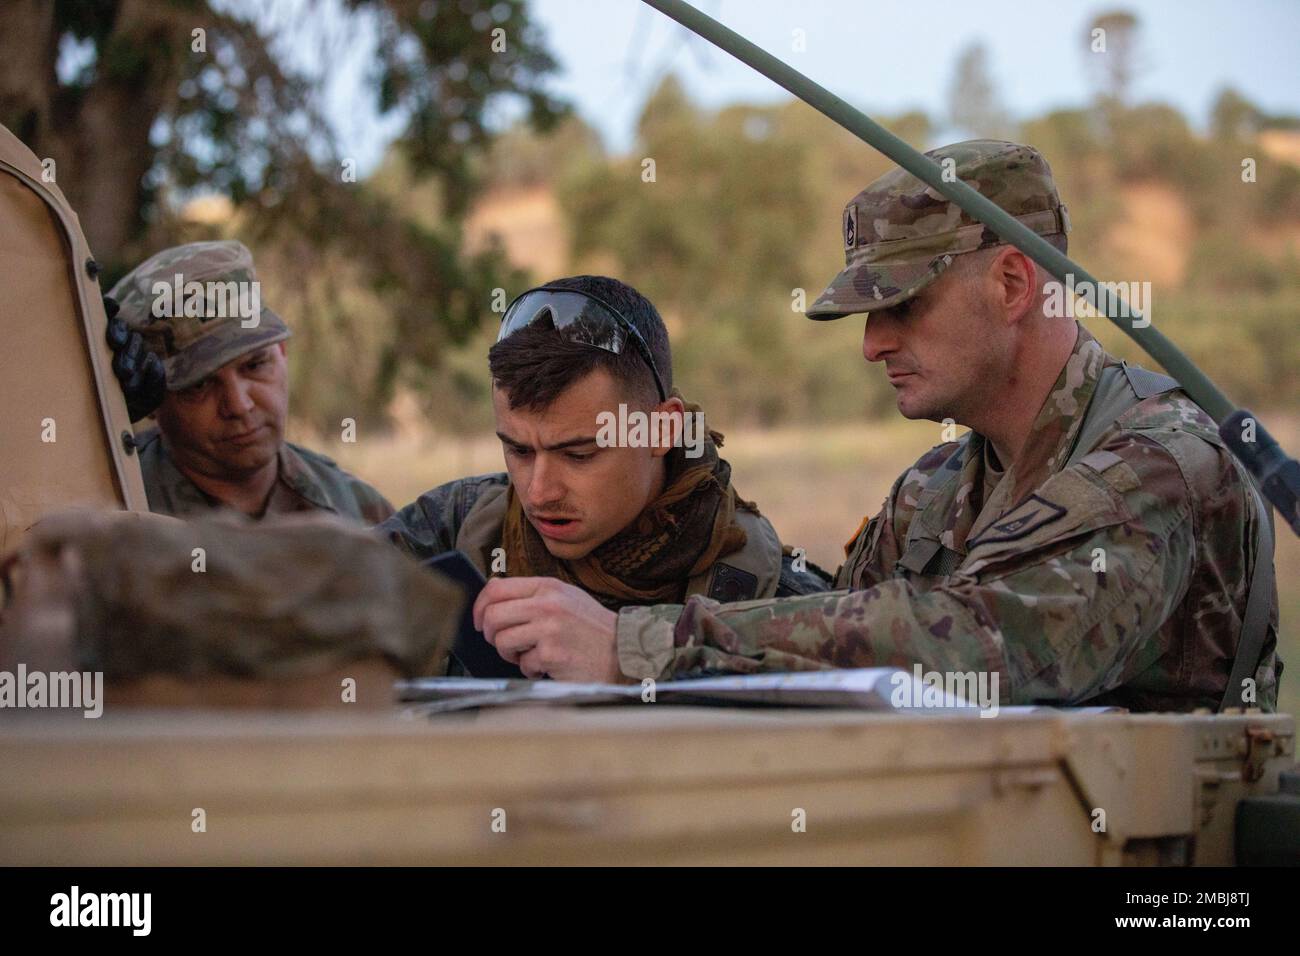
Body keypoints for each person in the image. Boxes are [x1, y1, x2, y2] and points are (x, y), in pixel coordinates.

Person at [471, 141, 1280, 712]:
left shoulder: (1162, 463)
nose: (871, 344)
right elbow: (826, 655)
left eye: (902, 306)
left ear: (1009, 283)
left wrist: (635, 647)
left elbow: (984, 644)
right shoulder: (931, 493)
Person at [380, 275, 827, 627]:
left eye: (579, 455)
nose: (538, 493)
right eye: (518, 451)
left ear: (661, 430)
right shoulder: (451, 534)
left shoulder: (772, 601)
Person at [106, 240, 393, 524]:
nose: (239, 405)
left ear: (282, 352)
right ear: (153, 400)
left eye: (255, 365)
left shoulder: (358, 511)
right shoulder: (113, 514)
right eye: (199, 385)